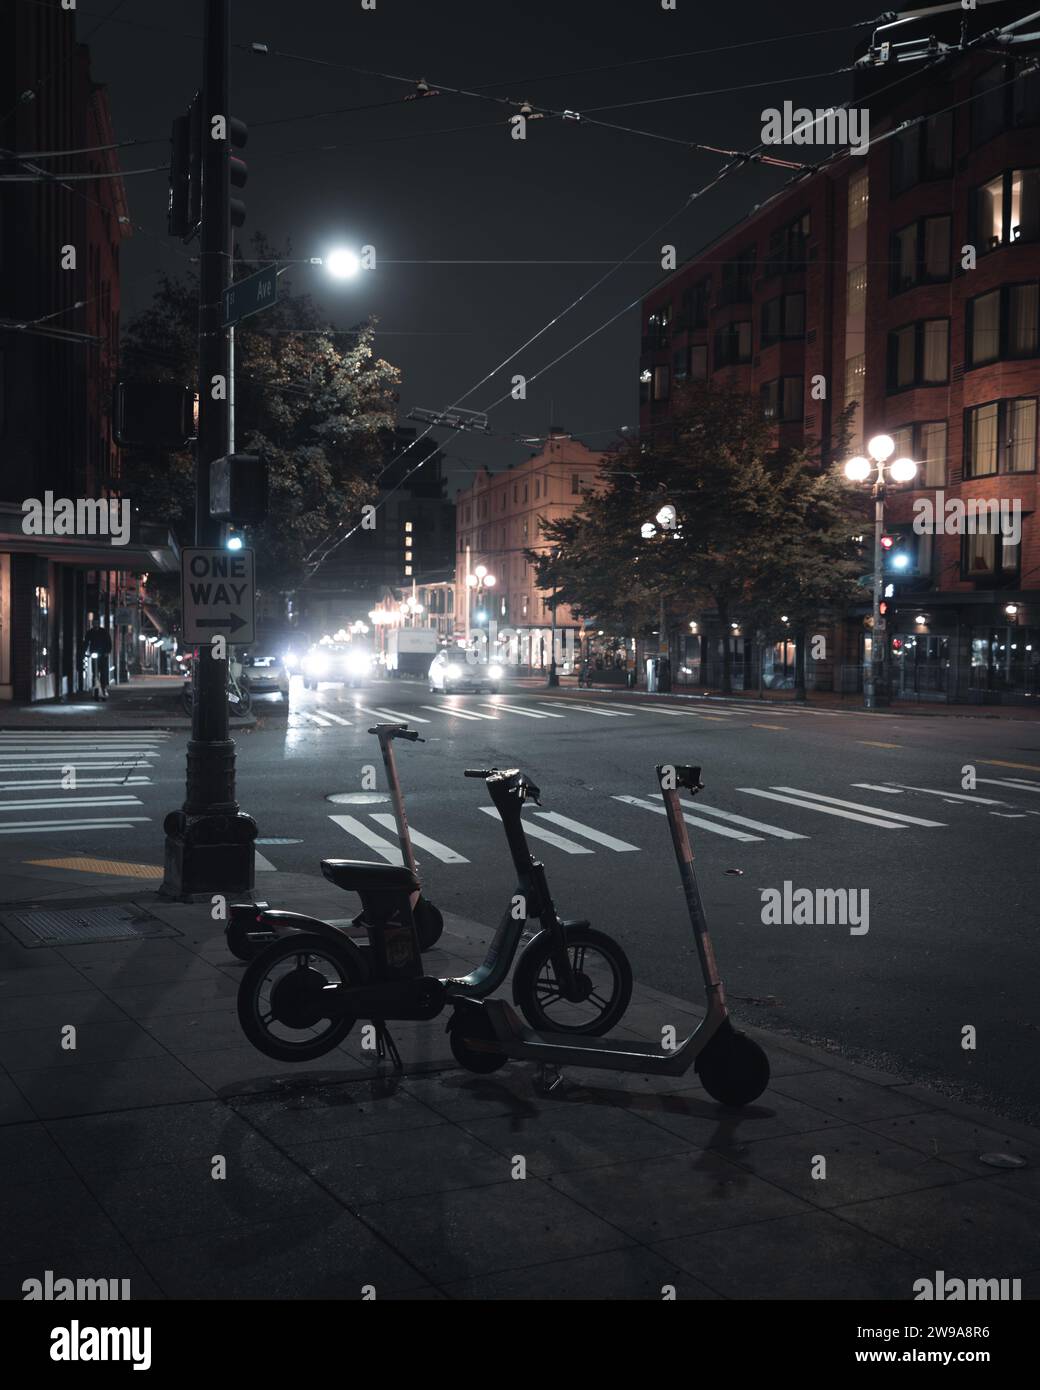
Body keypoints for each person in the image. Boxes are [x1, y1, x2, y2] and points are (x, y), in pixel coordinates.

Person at [84, 620, 112, 700]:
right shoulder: (90, 632)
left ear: (98, 624)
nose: (95, 624)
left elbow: (108, 642)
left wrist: (107, 652)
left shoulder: (104, 632)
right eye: (94, 623)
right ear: (92, 624)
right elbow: (86, 642)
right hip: (94, 653)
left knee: (103, 672)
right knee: (94, 672)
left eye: (96, 623)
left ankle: (104, 688)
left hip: (103, 654)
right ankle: (95, 688)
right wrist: (85, 652)